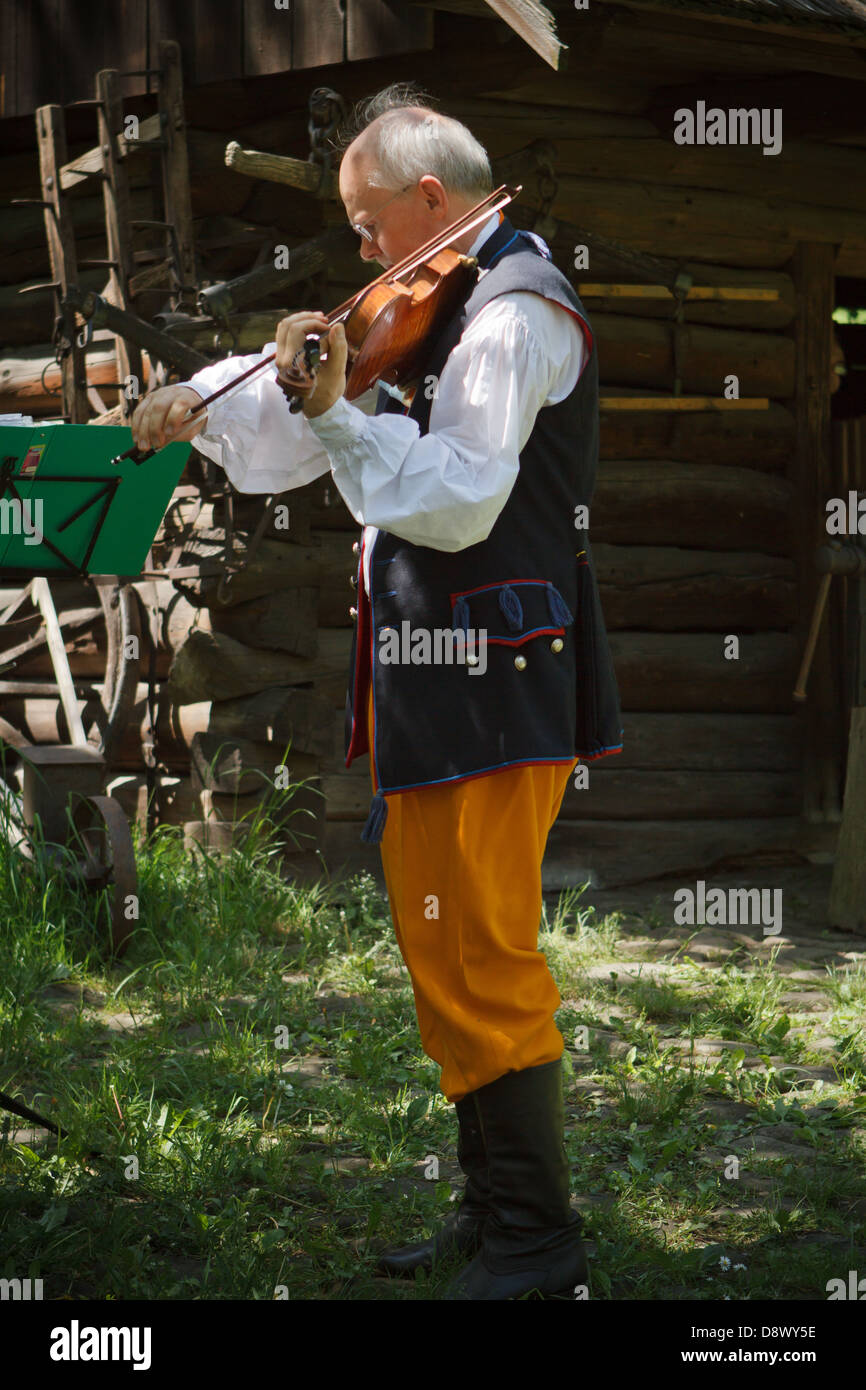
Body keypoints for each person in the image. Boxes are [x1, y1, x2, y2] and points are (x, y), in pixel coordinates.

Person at [131, 83, 623, 1301]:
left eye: (365, 226)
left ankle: (537, 1242)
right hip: (428, 679)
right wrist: (194, 405)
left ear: (428, 200)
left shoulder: (512, 318)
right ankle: (488, 1209)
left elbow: (453, 497)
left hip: (500, 678)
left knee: (489, 950)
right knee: (437, 939)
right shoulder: (426, 303)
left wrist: (341, 407)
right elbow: (291, 410)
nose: (358, 256)